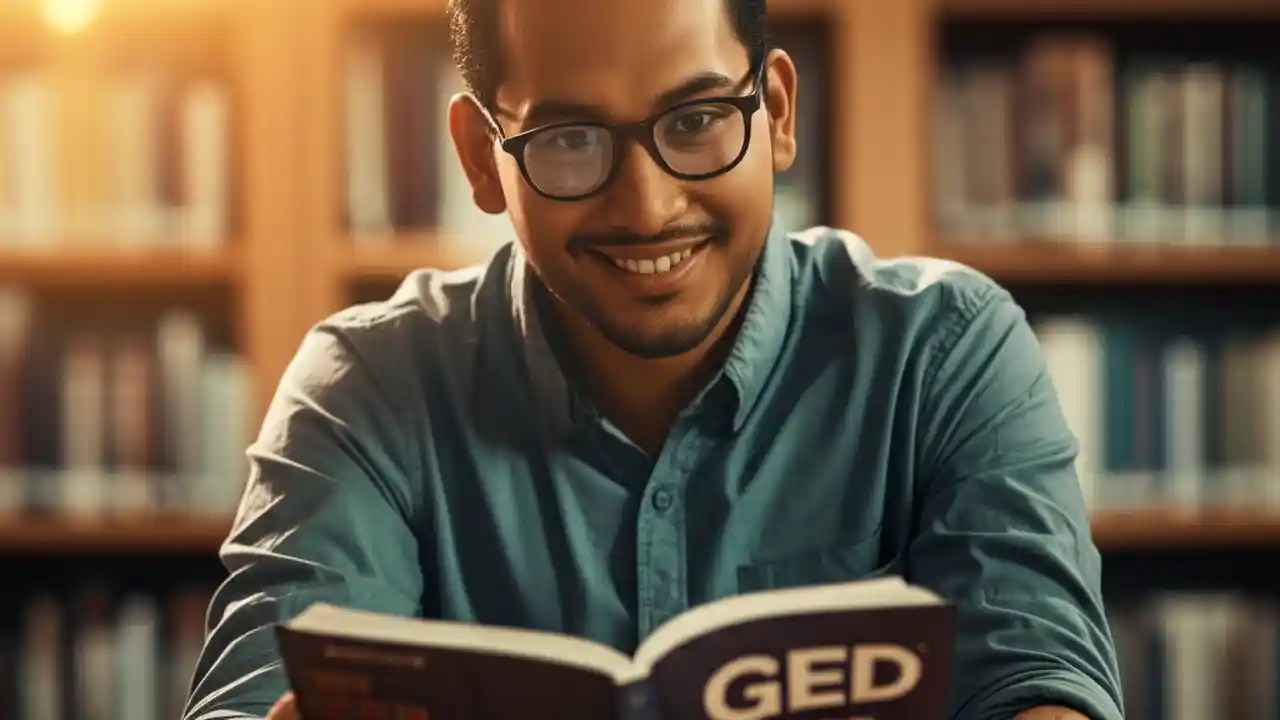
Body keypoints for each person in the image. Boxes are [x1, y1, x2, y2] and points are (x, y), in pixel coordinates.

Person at [182, 0, 1123, 717]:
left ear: (777, 111)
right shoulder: (364, 390)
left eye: (697, 118)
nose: (647, 206)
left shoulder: (945, 352)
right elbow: (256, 691)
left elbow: (1041, 683)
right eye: (570, 140)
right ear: (478, 156)